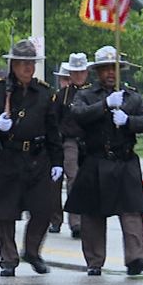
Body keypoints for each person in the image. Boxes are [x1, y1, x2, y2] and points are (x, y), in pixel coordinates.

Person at [64, 47, 143, 276]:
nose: (110, 74)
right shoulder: (86, 95)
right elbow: (78, 115)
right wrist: (104, 106)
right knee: (92, 215)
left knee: (132, 211)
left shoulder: (131, 97)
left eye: (113, 68)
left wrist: (128, 121)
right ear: (97, 72)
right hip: (96, 160)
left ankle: (135, 258)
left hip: (124, 160)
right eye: (105, 69)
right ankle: (94, 261)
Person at [0, 39, 62, 276]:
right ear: (13, 65)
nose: (29, 68)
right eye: (24, 63)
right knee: (4, 212)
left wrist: (57, 161)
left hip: (37, 157)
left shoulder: (45, 93)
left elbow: (53, 130)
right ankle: (8, 258)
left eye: (32, 63)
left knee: (43, 210)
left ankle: (33, 251)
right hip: (8, 156)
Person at [51, 52, 90, 238]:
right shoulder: (62, 95)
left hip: (90, 141)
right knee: (73, 178)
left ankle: (88, 219)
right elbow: (54, 120)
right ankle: (76, 222)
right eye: (75, 72)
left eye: (82, 71)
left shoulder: (92, 93)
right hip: (69, 141)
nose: (79, 75)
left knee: (88, 180)